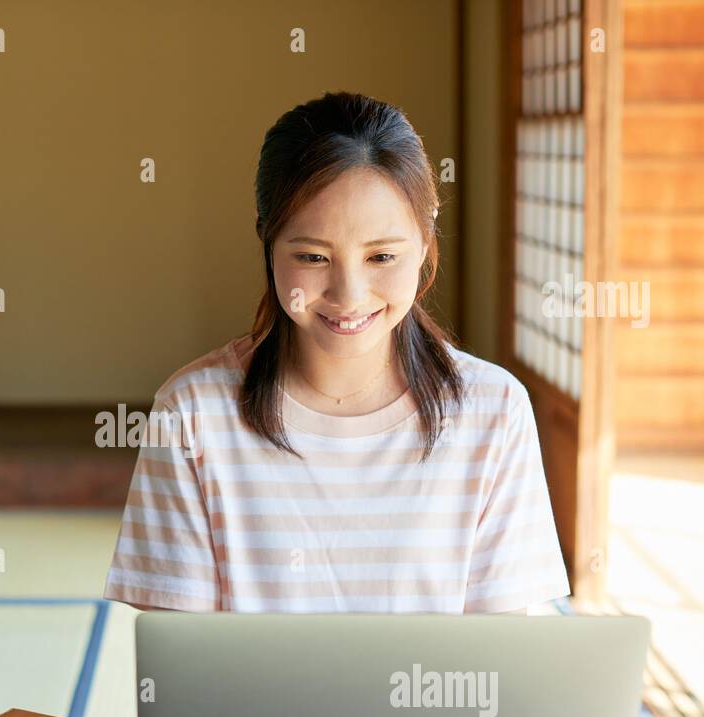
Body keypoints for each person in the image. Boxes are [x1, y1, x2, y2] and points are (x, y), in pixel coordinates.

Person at [103, 92, 571, 614]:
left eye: (382, 256)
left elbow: (497, 669)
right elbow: (180, 672)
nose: (349, 295)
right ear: (267, 240)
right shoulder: (191, 415)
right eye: (313, 256)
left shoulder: (495, 412)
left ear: (425, 241)